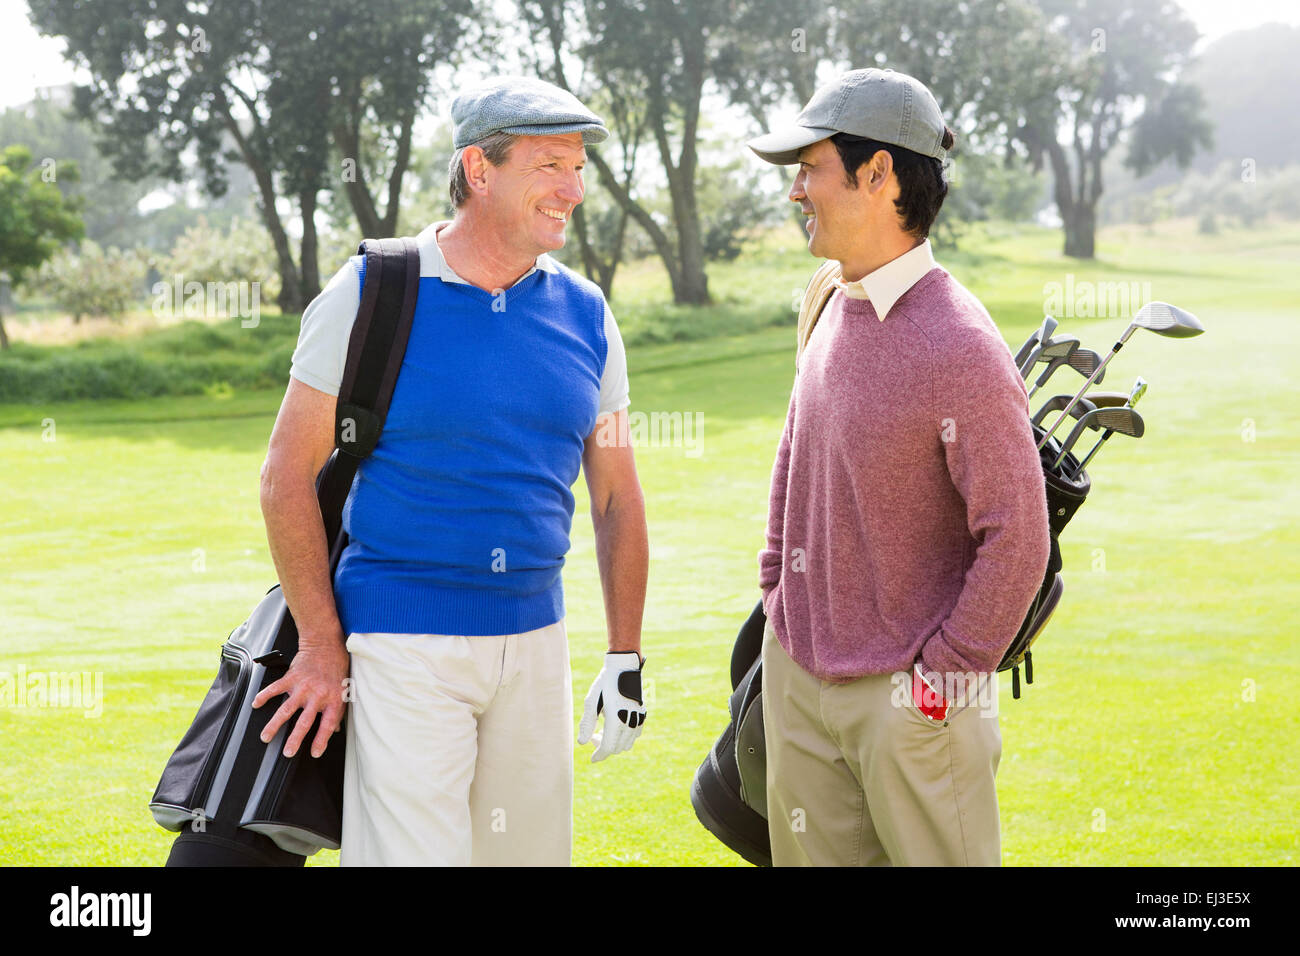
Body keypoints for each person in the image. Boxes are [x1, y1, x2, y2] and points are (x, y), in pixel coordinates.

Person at [253, 76, 650, 866]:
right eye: (549, 165)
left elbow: (615, 496)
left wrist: (624, 653)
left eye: (578, 167)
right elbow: (284, 477)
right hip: (402, 647)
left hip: (537, 640)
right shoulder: (369, 292)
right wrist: (322, 645)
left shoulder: (588, 314)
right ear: (479, 169)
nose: (573, 189)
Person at [748, 68, 1050, 866]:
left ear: (878, 174)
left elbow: (1018, 536)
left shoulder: (961, 346)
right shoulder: (828, 298)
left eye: (810, 168)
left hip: (911, 706)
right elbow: (795, 455)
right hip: (800, 677)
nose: (796, 191)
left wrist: (938, 686)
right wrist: (780, 588)